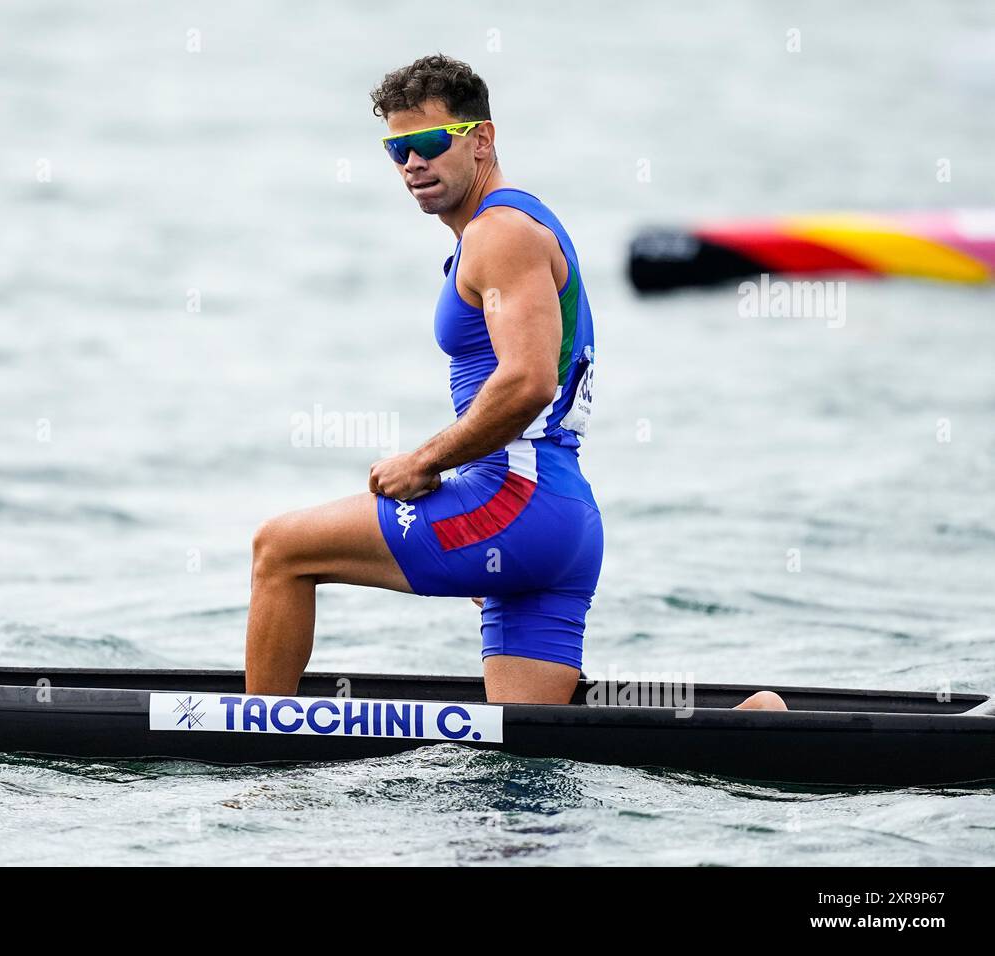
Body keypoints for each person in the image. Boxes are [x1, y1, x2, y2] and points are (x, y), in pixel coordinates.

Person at [244, 55, 785, 711]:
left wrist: (423, 462)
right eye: (397, 149)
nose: (412, 163)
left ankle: (255, 748)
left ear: (482, 140)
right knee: (533, 749)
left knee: (280, 550)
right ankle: (736, 724)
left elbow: (527, 383)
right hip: (556, 520)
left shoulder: (499, 235)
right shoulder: (513, 228)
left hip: (517, 505)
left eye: (429, 143)